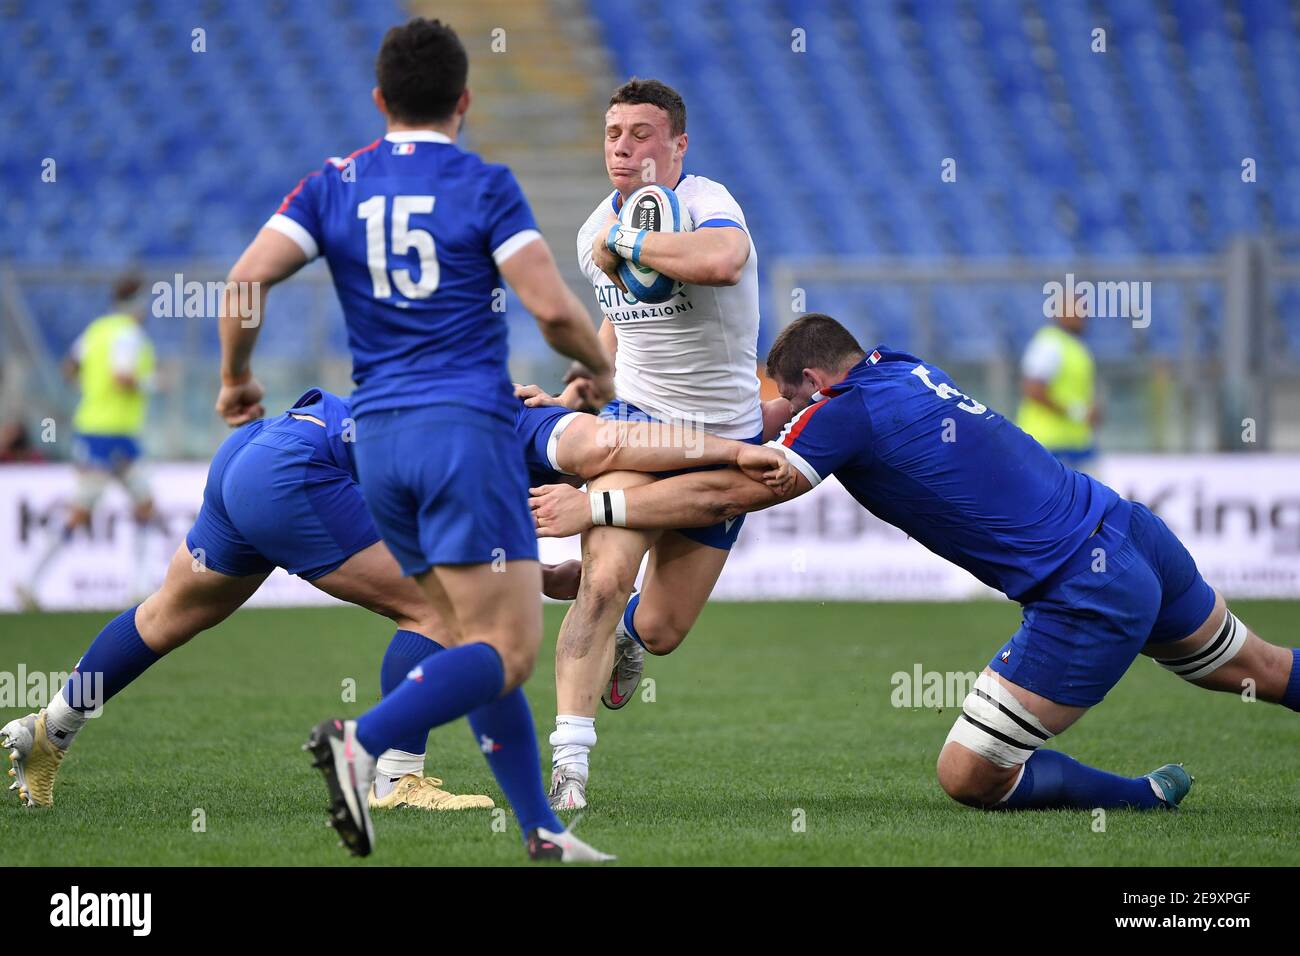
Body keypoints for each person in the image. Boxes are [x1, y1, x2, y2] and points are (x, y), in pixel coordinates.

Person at [530, 313, 1300, 812]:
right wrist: (597, 414)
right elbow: (761, 420)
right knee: (1259, 668)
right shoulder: (898, 365)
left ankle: (1142, 798)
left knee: (968, 777)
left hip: (1084, 593)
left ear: (818, 387)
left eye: (795, 402)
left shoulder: (845, 412)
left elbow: (734, 491)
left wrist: (596, 507)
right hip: (1131, 529)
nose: (790, 416)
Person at [213, 17, 623, 861]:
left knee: (473, 636)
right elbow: (550, 308)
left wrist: (236, 377)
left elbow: (247, 278)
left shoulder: (333, 183)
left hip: (377, 445)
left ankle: (543, 832)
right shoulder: (482, 184)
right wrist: (598, 371)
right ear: (464, 101)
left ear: (378, 100)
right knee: (509, 648)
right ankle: (359, 743)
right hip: (463, 437)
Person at [548, 77, 769, 811]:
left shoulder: (708, 203)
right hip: (639, 427)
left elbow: (722, 262)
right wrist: (576, 387)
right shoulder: (590, 231)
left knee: (664, 628)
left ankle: (627, 632)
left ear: (677, 144)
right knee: (604, 582)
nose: (623, 147)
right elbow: (620, 321)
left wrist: (631, 240)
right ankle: (570, 764)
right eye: (614, 133)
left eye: (641, 133)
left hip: (721, 440)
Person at [20, 273, 160, 609]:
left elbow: (69, 368)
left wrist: (90, 388)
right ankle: (30, 580)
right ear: (137, 302)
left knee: (143, 503)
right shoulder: (128, 334)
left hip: (104, 432)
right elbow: (123, 377)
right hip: (108, 434)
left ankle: (139, 586)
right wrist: (153, 381)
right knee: (82, 511)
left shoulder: (96, 330)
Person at [1017, 293, 1100, 469]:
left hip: (1077, 443)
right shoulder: (1049, 343)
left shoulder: (1075, 346)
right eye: (1076, 311)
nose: (1083, 316)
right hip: (1047, 444)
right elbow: (1033, 389)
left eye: (1084, 310)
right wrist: (1078, 412)